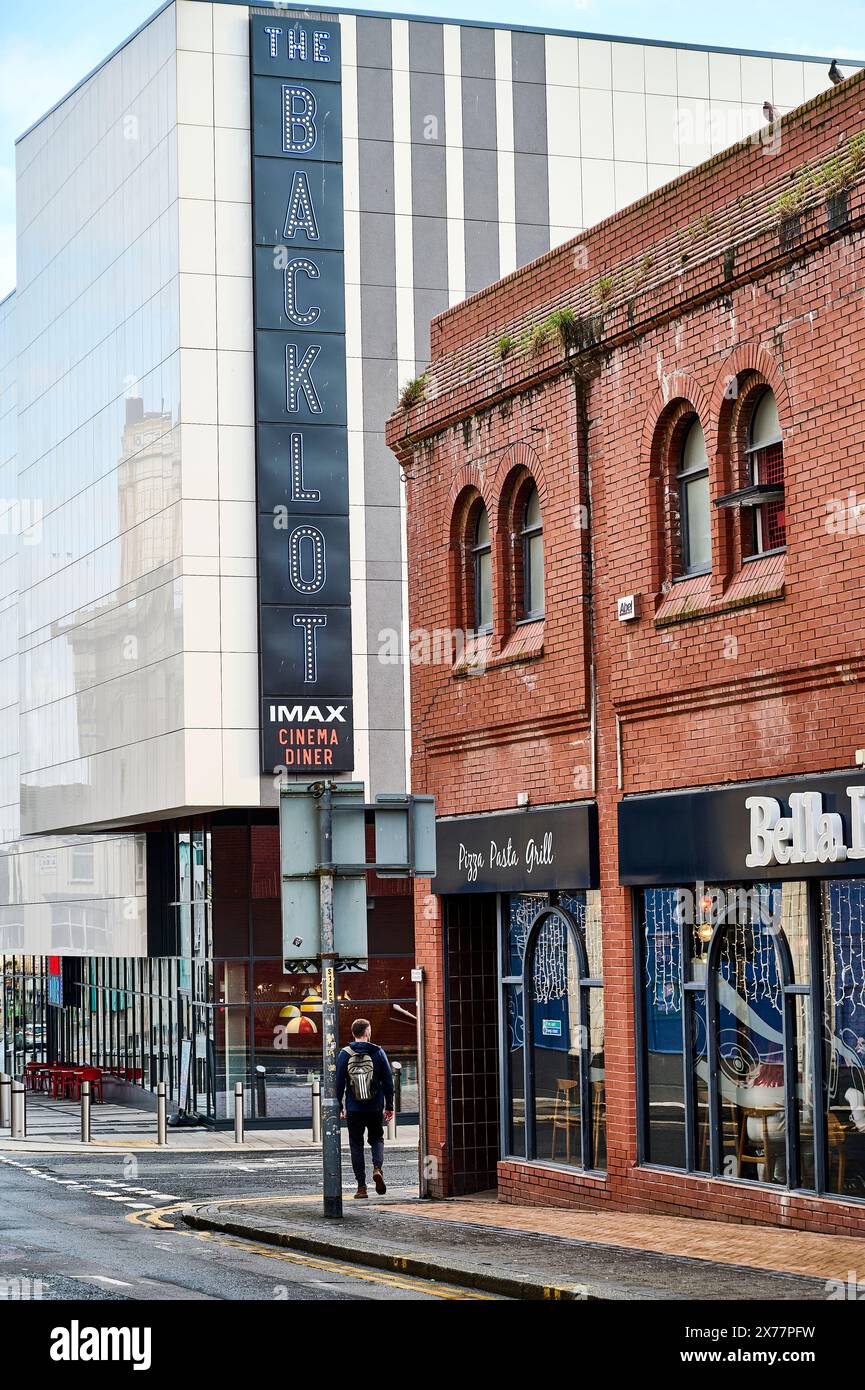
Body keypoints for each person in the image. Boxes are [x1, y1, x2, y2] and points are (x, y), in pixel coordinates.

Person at [336, 1017, 394, 1199]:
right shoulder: (377, 1052)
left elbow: (338, 1082)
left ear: (353, 1033)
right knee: (377, 1138)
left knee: (356, 1145)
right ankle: (377, 1168)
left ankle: (361, 1187)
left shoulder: (345, 1054)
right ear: (367, 1032)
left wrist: (339, 1105)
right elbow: (388, 1080)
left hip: (354, 1108)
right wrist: (389, 1105)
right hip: (375, 1106)